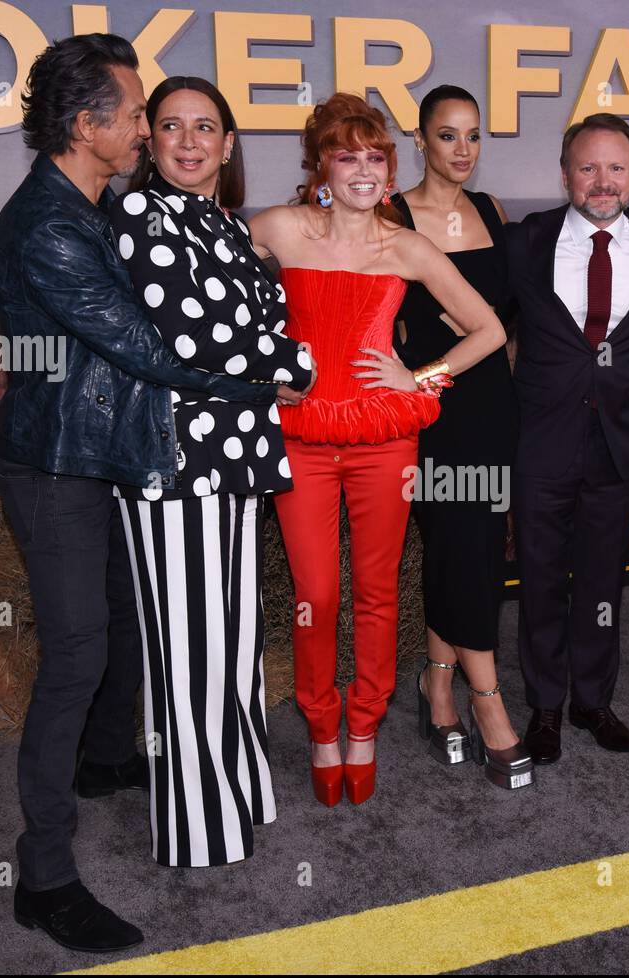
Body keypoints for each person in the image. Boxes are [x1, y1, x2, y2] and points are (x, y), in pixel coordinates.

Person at [0, 36, 289, 950]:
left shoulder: (94, 205)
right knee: (78, 655)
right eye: (134, 117)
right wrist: (280, 376)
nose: (146, 131)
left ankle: (108, 762)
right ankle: (43, 874)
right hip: (60, 470)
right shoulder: (51, 225)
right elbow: (152, 350)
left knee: (127, 627)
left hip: (110, 458)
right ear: (88, 127)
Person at [248, 93, 506, 806]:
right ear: (320, 165)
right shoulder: (279, 228)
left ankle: (365, 727)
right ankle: (321, 725)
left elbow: (485, 331)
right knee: (316, 593)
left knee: (376, 590)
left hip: (383, 438)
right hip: (301, 435)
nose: (362, 168)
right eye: (346, 154)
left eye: (376, 156)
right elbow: (211, 295)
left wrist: (419, 376)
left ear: (389, 168)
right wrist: (260, 367)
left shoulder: (406, 246)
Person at [108, 76, 314, 865]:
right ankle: (197, 832)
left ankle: (240, 792)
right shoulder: (138, 214)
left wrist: (273, 359)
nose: (190, 141)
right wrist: (295, 360)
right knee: (188, 655)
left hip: (234, 457)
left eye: (205, 127)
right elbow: (192, 339)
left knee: (232, 647)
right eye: (171, 126)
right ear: (149, 142)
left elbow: (241, 326)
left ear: (228, 145)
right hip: (174, 464)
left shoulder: (223, 223)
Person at [507, 113, 629, 765]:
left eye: (616, 167)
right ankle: (545, 705)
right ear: (566, 172)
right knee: (542, 578)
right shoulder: (528, 241)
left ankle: (593, 702)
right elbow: (481, 320)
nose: (603, 181)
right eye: (588, 167)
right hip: (541, 440)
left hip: (619, 444)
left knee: (604, 579)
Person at [391, 85, 530, 790]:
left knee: (474, 548)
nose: (463, 150)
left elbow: (502, 319)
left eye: (473, 136)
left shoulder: (493, 212)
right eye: (448, 136)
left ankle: (437, 681)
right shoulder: (392, 215)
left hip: (491, 410)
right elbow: (377, 324)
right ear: (419, 140)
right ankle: (489, 700)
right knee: (459, 548)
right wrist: (418, 372)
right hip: (432, 414)